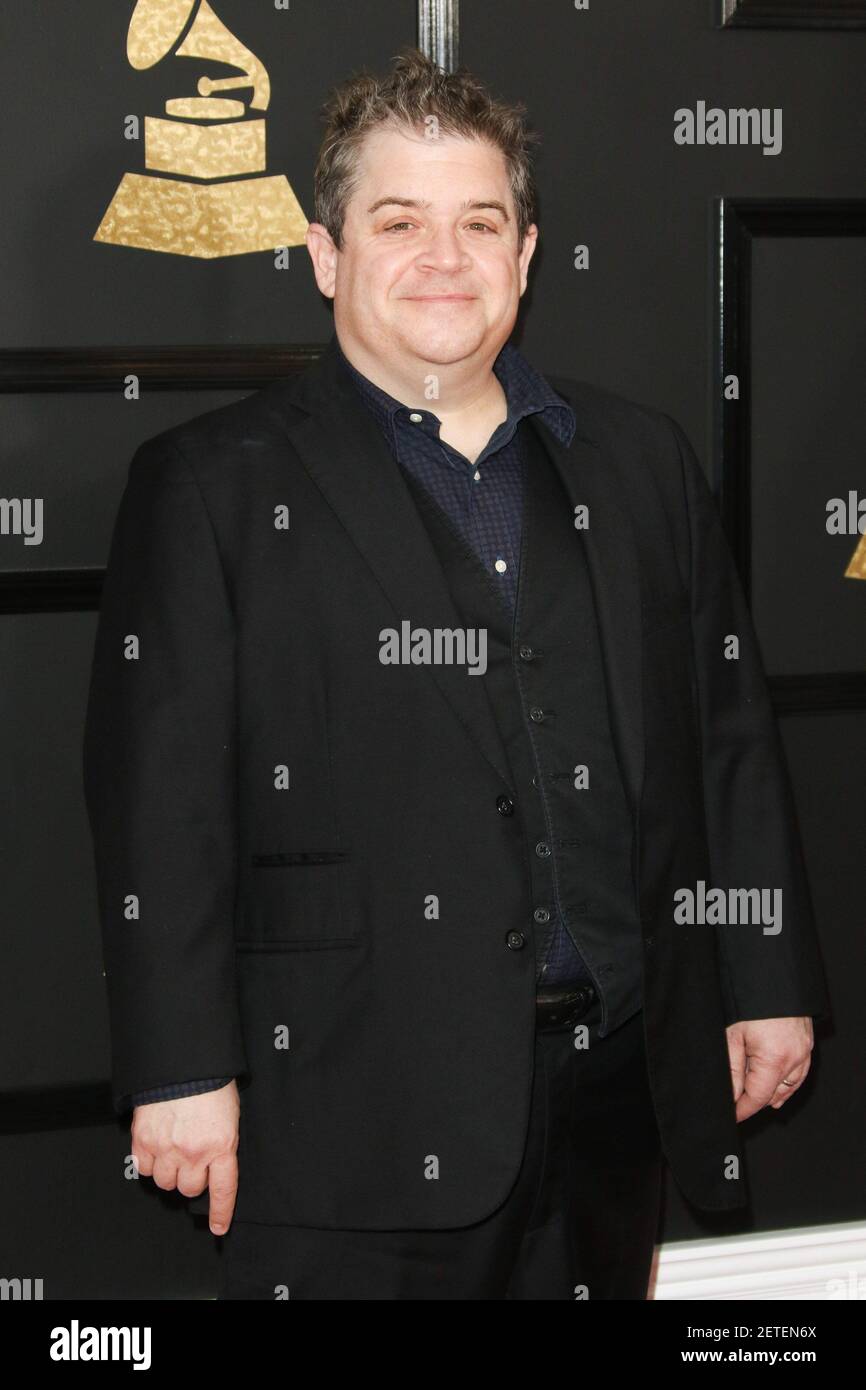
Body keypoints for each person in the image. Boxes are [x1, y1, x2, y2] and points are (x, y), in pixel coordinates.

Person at [82, 47, 831, 1300]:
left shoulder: (636, 461)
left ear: (525, 257)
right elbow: (156, 801)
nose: (444, 257)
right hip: (339, 1104)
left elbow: (727, 736)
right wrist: (175, 1067)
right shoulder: (211, 484)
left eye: (479, 222)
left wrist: (761, 977)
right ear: (325, 258)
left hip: (611, 1094)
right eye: (397, 222)